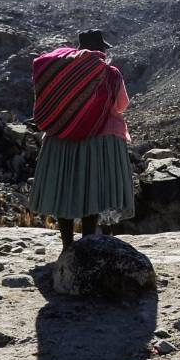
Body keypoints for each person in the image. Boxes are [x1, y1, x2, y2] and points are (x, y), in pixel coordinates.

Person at [30, 30, 135, 251]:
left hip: (60, 138)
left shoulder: (62, 71)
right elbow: (121, 105)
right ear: (100, 49)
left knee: (64, 190)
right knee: (92, 191)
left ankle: (67, 245)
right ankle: (87, 243)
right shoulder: (110, 73)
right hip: (99, 140)